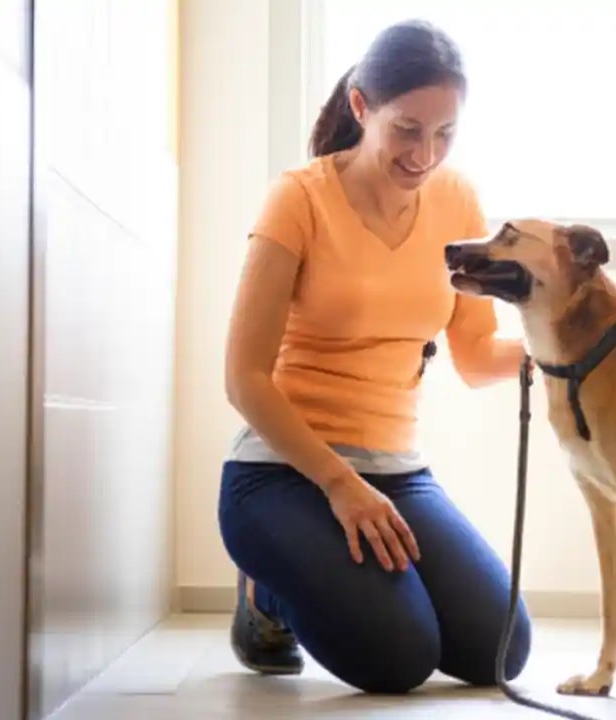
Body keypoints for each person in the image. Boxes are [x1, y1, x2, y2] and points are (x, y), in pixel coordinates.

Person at [218, 19, 532, 696]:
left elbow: (475, 356)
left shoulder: (458, 199)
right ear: (362, 107)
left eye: (445, 132)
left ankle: (339, 579)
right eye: (408, 129)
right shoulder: (298, 198)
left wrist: (566, 351)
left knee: (499, 648)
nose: (426, 153)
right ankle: (263, 597)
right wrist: (337, 484)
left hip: (394, 470)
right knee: (398, 658)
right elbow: (243, 379)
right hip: (282, 471)